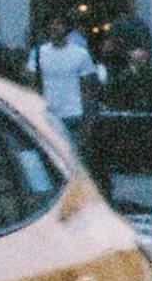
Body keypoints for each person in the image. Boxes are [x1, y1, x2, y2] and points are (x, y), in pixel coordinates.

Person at [33, 20, 104, 195]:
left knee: (72, 160)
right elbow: (32, 83)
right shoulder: (39, 53)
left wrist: (88, 120)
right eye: (52, 24)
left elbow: (88, 88)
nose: (54, 27)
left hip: (73, 115)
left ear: (66, 28)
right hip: (48, 114)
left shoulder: (80, 54)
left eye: (59, 24)